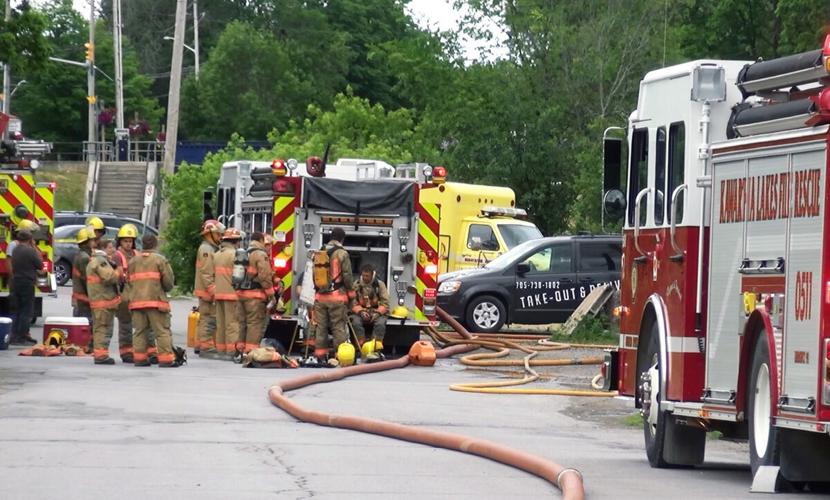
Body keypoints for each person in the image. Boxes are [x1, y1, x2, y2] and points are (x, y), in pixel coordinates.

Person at [128, 234, 181, 367]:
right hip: (156, 302)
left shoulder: (133, 261)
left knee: (139, 331)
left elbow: (129, 281)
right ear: (155, 244)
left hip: (136, 303)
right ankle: (166, 360)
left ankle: (139, 359)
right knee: (162, 331)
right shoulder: (160, 260)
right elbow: (168, 282)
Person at [313, 227, 354, 364]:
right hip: (336, 297)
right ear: (342, 239)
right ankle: (339, 357)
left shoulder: (320, 252)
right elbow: (347, 276)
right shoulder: (342, 254)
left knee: (321, 327)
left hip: (320, 297)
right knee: (338, 327)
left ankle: (320, 356)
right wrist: (351, 293)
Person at [236, 232, 277, 354]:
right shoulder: (260, 254)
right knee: (254, 324)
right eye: (268, 244)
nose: (269, 247)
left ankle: (240, 351)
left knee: (242, 324)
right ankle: (251, 352)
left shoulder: (245, 252)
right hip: (255, 296)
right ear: (261, 240)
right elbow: (264, 277)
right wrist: (271, 295)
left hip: (241, 294)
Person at [86, 239, 123, 365]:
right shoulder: (100, 261)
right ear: (103, 248)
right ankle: (101, 356)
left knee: (101, 328)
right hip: (103, 302)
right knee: (103, 329)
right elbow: (109, 277)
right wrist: (118, 271)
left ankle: (101, 354)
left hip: (100, 301)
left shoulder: (95, 261)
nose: (113, 250)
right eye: (110, 247)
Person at [212, 228, 242, 360]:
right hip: (232, 294)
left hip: (218, 293)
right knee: (232, 323)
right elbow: (240, 276)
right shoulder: (235, 255)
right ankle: (231, 350)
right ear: (237, 242)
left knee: (221, 323)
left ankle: (221, 349)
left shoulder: (217, 254)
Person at [194, 219, 223, 357]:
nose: (220, 237)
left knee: (205, 318)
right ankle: (206, 347)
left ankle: (200, 345)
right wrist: (213, 291)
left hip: (205, 291)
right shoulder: (206, 249)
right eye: (217, 234)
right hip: (207, 292)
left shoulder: (209, 248)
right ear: (209, 234)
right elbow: (206, 273)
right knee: (209, 319)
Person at [9, 230, 43, 345]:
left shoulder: (15, 250)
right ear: (30, 239)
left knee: (17, 310)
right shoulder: (30, 250)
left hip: (16, 281)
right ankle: (22, 337)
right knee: (26, 311)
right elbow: (40, 265)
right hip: (27, 282)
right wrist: (34, 247)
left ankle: (14, 336)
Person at [350, 264, 389, 360]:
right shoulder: (356, 285)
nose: (365, 278)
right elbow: (353, 302)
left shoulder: (380, 285)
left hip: (376, 312)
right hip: (361, 312)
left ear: (372, 275)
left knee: (380, 324)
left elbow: (385, 303)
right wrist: (361, 312)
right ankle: (360, 347)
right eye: (363, 276)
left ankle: (375, 349)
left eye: (367, 276)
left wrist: (377, 313)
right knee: (355, 322)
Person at [72, 227, 96, 327]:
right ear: (87, 242)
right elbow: (87, 279)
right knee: (85, 326)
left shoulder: (81, 255)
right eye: (92, 240)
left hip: (80, 298)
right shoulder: (84, 258)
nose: (94, 242)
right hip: (84, 299)